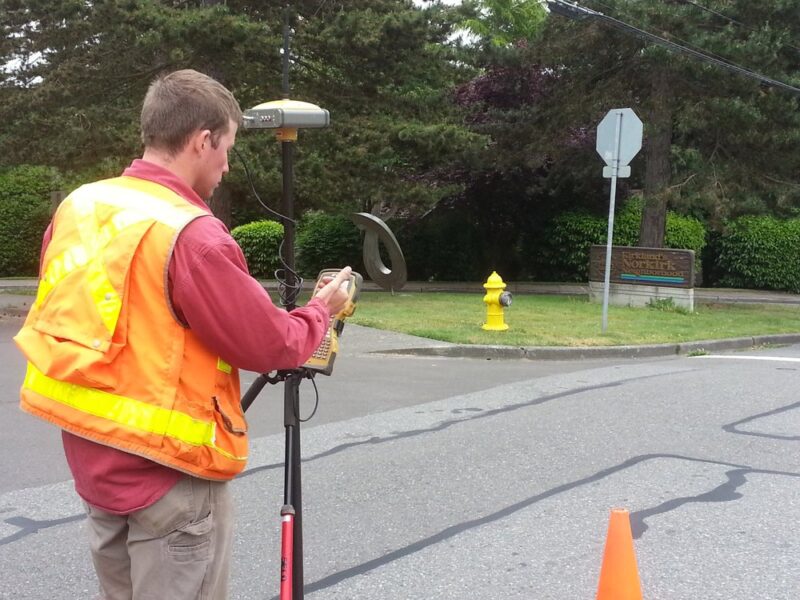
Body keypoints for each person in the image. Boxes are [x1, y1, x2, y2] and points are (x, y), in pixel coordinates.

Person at [14, 69, 351, 600]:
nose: (227, 164)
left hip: (95, 457)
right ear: (202, 140)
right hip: (169, 472)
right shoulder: (190, 234)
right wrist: (321, 312)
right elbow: (271, 344)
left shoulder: (81, 206)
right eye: (228, 147)